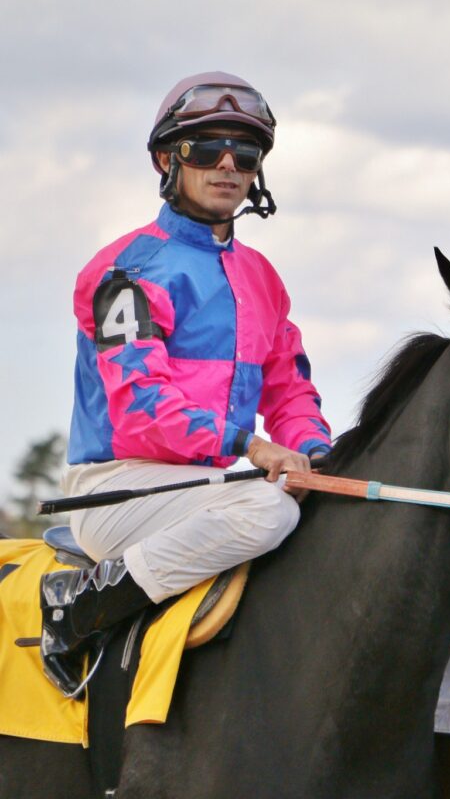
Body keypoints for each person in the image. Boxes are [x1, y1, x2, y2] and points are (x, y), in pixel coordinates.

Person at [41, 72, 332, 697]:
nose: (228, 164)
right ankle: (80, 608)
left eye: (245, 153)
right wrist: (253, 448)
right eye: (206, 149)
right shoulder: (127, 270)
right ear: (166, 160)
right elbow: (145, 410)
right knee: (267, 507)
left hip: (213, 483)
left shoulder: (262, 278)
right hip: (116, 488)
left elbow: (290, 391)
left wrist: (316, 452)